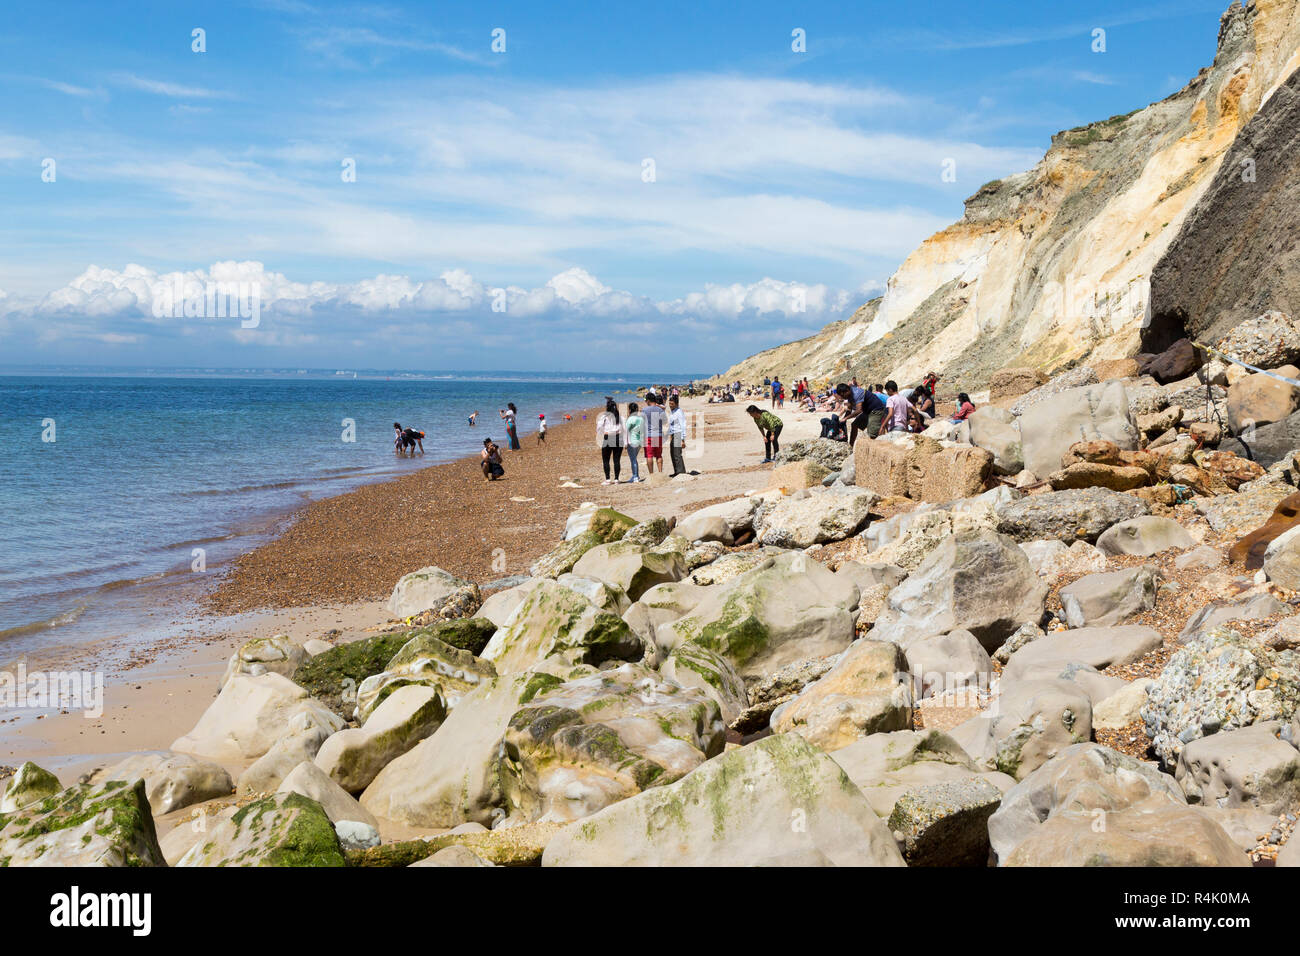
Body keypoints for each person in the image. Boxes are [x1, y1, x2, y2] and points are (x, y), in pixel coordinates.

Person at [596, 399, 626, 484]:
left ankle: (608, 479)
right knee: (616, 460)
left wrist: (603, 432)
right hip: (618, 438)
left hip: (608, 437)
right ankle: (616, 479)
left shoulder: (604, 417)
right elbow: (625, 429)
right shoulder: (620, 417)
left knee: (606, 460)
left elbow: (598, 428)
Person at [642, 391, 667, 475]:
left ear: (648, 400)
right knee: (658, 455)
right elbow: (664, 421)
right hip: (658, 434)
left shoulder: (645, 410)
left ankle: (651, 474)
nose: (645, 402)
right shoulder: (660, 410)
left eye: (646, 400)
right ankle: (660, 473)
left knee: (649, 456)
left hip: (648, 435)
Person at [624, 401, 646, 482]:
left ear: (629, 410)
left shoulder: (630, 419)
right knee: (634, 459)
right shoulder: (641, 419)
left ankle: (635, 476)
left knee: (633, 459)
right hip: (639, 442)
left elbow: (626, 431)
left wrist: (625, 443)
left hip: (632, 442)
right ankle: (636, 475)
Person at [668, 395, 687, 476]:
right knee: (672, 454)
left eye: (672, 404)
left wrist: (683, 440)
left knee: (677, 454)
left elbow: (683, 425)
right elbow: (672, 425)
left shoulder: (679, 412)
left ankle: (681, 472)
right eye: (669, 404)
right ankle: (676, 471)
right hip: (673, 434)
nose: (670, 405)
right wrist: (670, 435)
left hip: (678, 434)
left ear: (676, 404)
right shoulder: (673, 411)